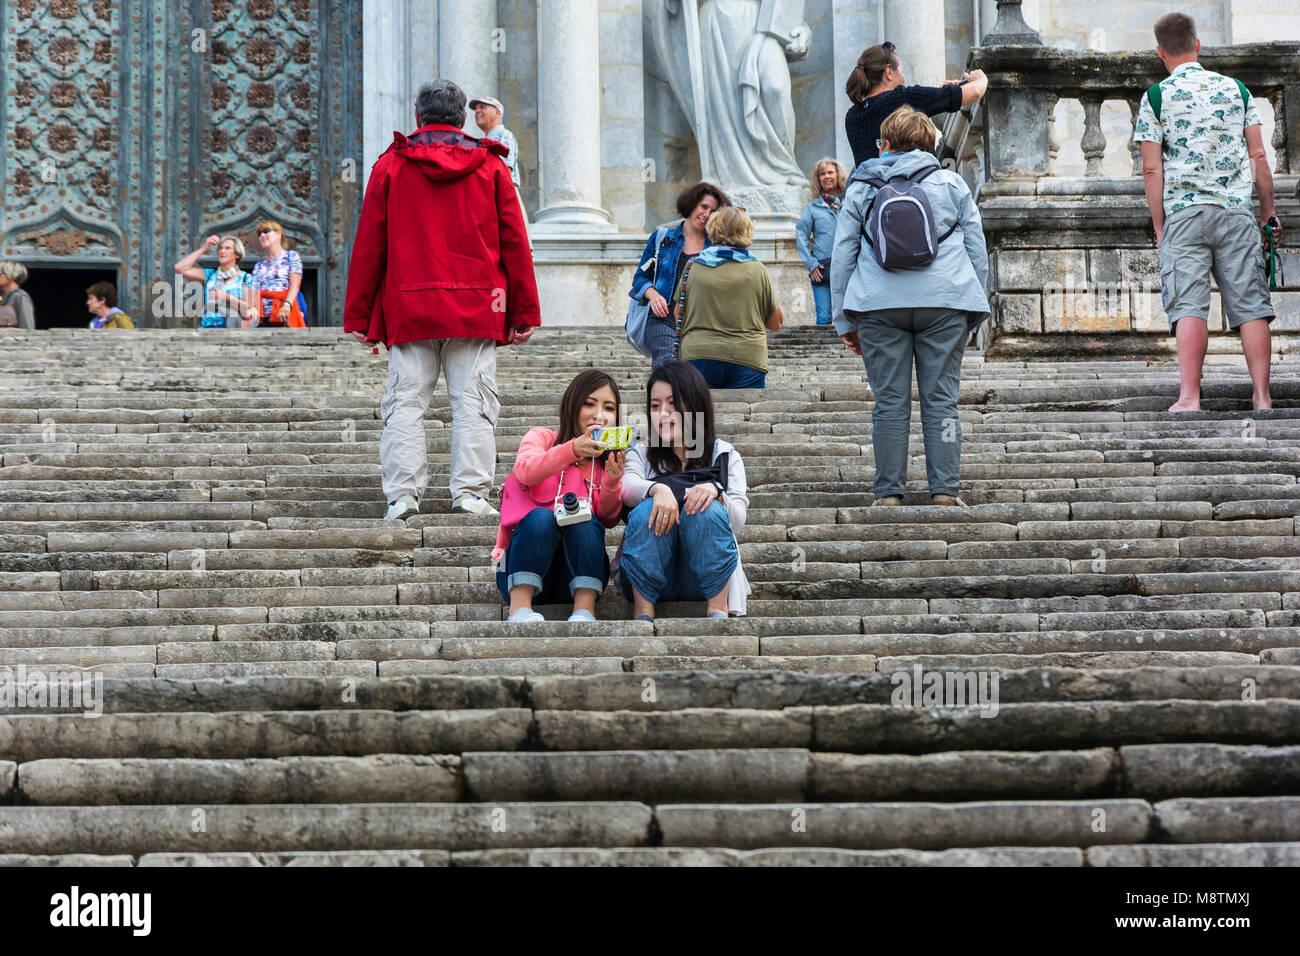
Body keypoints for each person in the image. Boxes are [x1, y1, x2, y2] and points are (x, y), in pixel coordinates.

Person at [344, 78, 539, 520]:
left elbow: (369, 244)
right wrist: (524, 309)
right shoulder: (490, 167)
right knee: (473, 400)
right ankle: (471, 493)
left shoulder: (390, 165)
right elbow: (515, 241)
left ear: (418, 117)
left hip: (409, 305)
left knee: (406, 402)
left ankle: (403, 496)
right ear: (464, 118)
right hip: (477, 305)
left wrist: (359, 312)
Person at [831, 106, 990, 508]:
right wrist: (973, 309)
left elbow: (843, 252)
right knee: (942, 402)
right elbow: (976, 250)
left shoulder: (862, 186)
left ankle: (888, 494)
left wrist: (843, 317)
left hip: (878, 304)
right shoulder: (952, 183)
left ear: (884, 146)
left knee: (889, 403)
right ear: (930, 145)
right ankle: (945, 491)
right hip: (946, 302)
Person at [1133, 12, 1280, 412]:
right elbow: (1259, 156)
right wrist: (1267, 212)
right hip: (1235, 211)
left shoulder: (1156, 97)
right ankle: (1262, 396)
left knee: (1188, 304)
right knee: (1251, 305)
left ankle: (1190, 396)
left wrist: (1161, 226)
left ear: (1160, 52)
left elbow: (1151, 168)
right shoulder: (1237, 91)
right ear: (1198, 45)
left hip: (1185, 214)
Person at [618, 360, 750, 619]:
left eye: (673, 403)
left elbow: (738, 520)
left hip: (701, 579)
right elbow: (626, 486)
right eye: (655, 406)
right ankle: (643, 613)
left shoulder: (722, 454)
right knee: (647, 509)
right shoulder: (642, 453)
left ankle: (718, 610)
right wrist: (658, 489)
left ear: (694, 403)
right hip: (652, 575)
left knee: (706, 508)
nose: (663, 413)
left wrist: (717, 493)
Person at [492, 370, 626, 623]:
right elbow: (525, 471)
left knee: (584, 520)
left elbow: (608, 519)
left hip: (575, 576)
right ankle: (519, 609)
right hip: (520, 568)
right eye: (589, 403)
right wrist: (572, 449)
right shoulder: (542, 438)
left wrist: (612, 481)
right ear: (572, 405)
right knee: (542, 517)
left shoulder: (606, 459)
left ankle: (584, 610)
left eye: (609, 408)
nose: (599, 414)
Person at [674, 207, 783, 389]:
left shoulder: (692, 267)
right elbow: (775, 324)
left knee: (700, 417)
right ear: (746, 231)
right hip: (747, 357)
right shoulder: (757, 269)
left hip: (699, 355)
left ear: (713, 229)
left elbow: (678, 313)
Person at [628, 182, 730, 368]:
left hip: (699, 324)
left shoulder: (716, 247)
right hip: (662, 317)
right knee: (665, 360)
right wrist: (653, 295)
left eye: (712, 211)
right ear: (692, 203)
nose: (706, 215)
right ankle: (662, 396)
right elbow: (640, 278)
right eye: (704, 207)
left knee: (694, 373)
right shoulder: (662, 238)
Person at [845, 41, 987, 167]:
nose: (904, 79)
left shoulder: (851, 117)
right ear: (889, 72)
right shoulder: (901, 97)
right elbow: (974, 92)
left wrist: (949, 91)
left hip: (871, 193)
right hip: (909, 190)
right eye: (902, 71)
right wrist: (982, 79)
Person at [795, 158, 848, 326]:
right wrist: (811, 264)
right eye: (822, 174)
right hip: (822, 269)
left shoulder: (849, 203)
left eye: (830, 172)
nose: (826, 176)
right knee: (824, 318)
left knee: (848, 317)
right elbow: (801, 234)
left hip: (847, 268)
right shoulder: (813, 208)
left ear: (838, 175)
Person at [173, 235, 256, 330]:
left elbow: (247, 307)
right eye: (220, 248)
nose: (222, 251)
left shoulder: (245, 279)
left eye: (227, 248)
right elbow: (180, 268)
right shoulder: (210, 275)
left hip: (232, 330)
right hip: (207, 329)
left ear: (237, 254)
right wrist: (205, 248)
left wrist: (228, 297)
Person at [250, 220, 305, 327]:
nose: (262, 235)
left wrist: (287, 305)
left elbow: (295, 285)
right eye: (259, 234)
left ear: (279, 234)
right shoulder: (259, 265)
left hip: (283, 313)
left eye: (266, 231)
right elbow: (254, 291)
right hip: (262, 316)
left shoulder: (291, 256)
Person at [0, 261, 36, 330]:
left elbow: (27, 328)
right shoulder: (3, 297)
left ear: (10, 276)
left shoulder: (20, 297)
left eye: (0, 273)